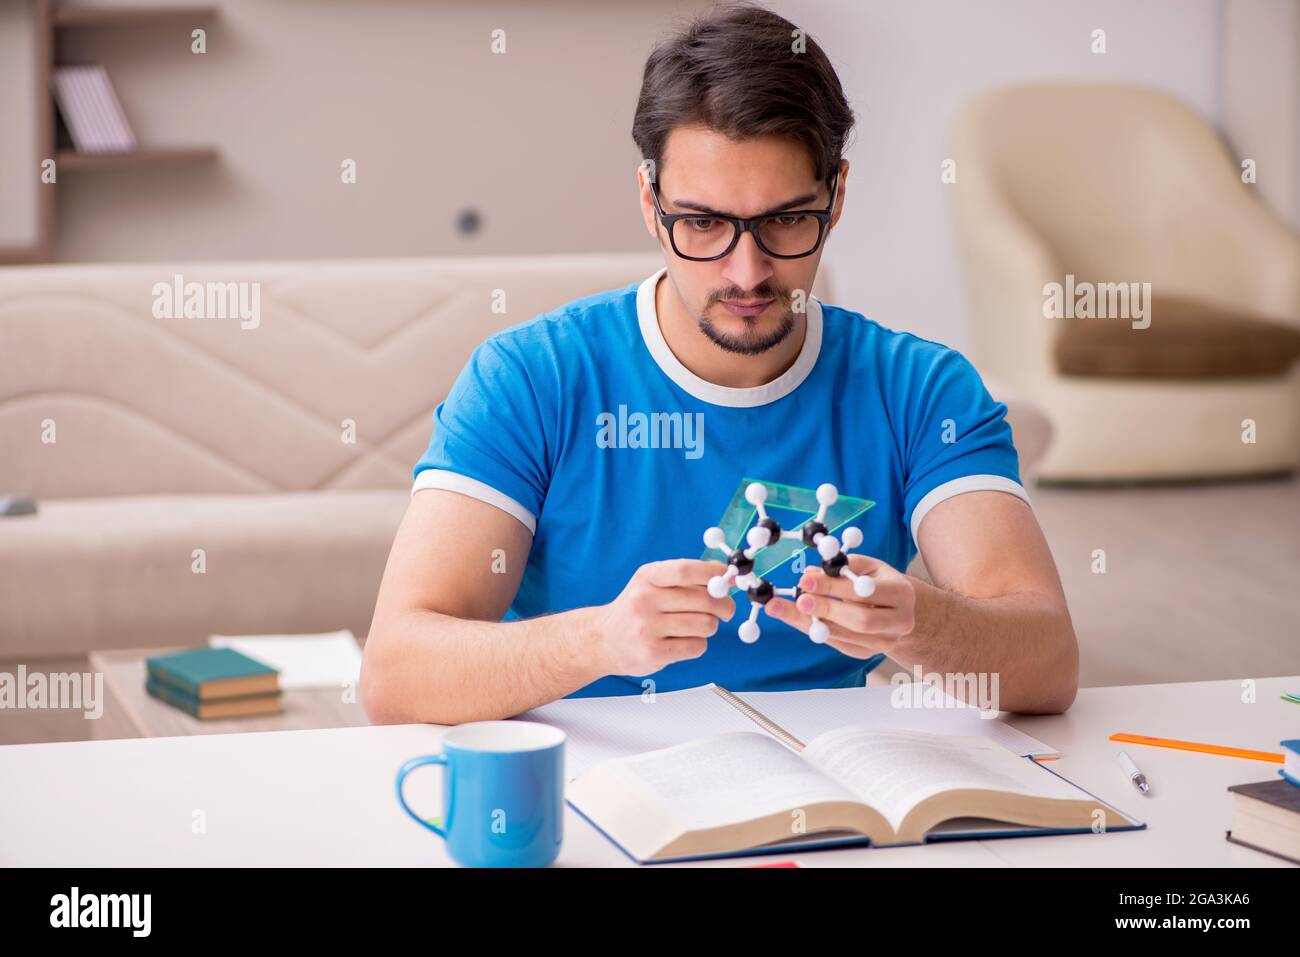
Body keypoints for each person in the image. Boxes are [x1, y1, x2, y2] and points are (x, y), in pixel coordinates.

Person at [361, 4, 1077, 725]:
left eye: (785, 219)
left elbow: (1048, 661)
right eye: (703, 223)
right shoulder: (530, 378)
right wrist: (598, 639)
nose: (747, 271)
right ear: (650, 201)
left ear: (836, 198)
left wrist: (919, 622)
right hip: (585, 797)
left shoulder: (920, 390)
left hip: (833, 790)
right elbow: (395, 674)